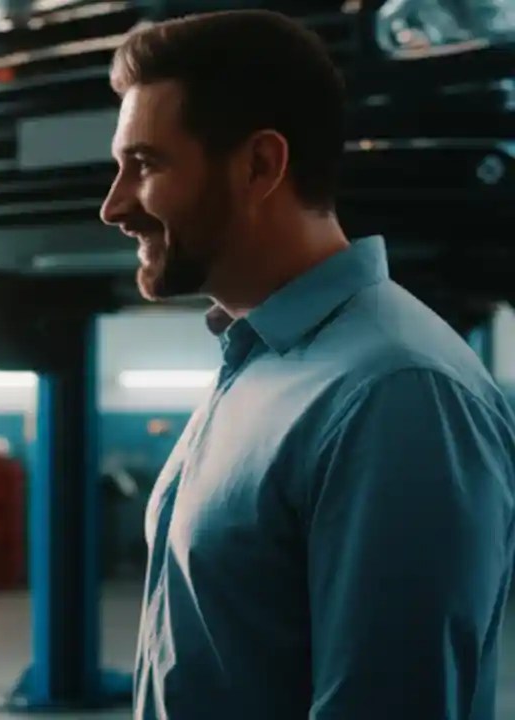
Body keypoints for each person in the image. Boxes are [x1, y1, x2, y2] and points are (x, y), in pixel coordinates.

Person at [100, 10, 515, 720]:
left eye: (147, 165)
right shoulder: (257, 361)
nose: (114, 207)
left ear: (260, 165)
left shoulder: (398, 395)